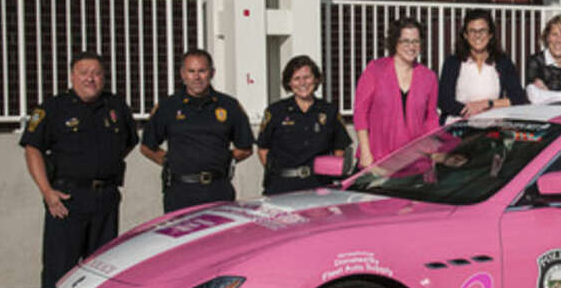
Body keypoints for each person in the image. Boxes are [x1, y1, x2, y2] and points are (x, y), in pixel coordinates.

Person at [20, 51, 137, 288]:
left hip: (106, 199)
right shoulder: (54, 108)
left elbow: (126, 144)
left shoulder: (115, 107)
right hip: (67, 200)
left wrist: (101, 171)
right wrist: (47, 191)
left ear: (104, 76)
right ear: (72, 76)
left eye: (96, 72)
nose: (90, 78)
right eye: (83, 72)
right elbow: (32, 149)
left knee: (102, 269)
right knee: (60, 267)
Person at [140, 48, 255, 213]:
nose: (197, 77)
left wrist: (225, 159)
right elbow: (147, 146)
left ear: (212, 73)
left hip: (218, 190)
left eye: (202, 71)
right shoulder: (168, 106)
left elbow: (245, 147)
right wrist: (169, 161)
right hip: (180, 192)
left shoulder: (229, 106)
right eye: (191, 71)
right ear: (182, 74)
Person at [257, 56, 353, 195]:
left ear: (316, 79)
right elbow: (263, 149)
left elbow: (340, 148)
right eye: (296, 79)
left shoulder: (328, 111)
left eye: (307, 77)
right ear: (289, 83)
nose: (302, 83)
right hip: (282, 187)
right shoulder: (276, 111)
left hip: (319, 186)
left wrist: (330, 173)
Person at [353, 18, 440, 169]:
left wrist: (432, 153)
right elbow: (360, 112)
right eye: (405, 41)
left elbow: (431, 119)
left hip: (414, 161)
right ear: (395, 42)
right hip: (377, 160)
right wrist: (366, 153)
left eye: (416, 41)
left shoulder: (429, 77)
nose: (411, 47)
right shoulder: (375, 70)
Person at [438, 8, 527, 124]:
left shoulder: (502, 62)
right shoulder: (452, 62)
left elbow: (518, 98)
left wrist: (486, 104)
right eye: (472, 31)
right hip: (459, 125)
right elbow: (444, 101)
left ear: (490, 34)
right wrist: (470, 111)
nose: (478, 36)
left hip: (491, 128)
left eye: (482, 31)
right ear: (465, 35)